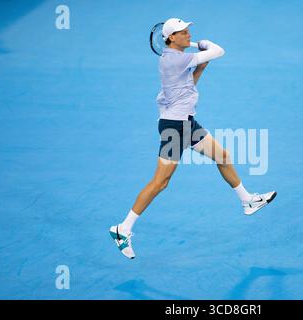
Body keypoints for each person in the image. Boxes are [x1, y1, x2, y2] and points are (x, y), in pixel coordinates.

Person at [110, 18, 276, 259]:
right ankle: (122, 229)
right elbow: (219, 51)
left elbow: (186, 87)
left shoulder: (175, 59)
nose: (188, 35)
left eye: (189, 31)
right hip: (174, 128)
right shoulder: (176, 59)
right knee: (160, 183)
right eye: (183, 33)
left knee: (223, 156)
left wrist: (200, 66)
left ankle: (247, 201)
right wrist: (204, 45)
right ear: (170, 38)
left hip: (185, 124)